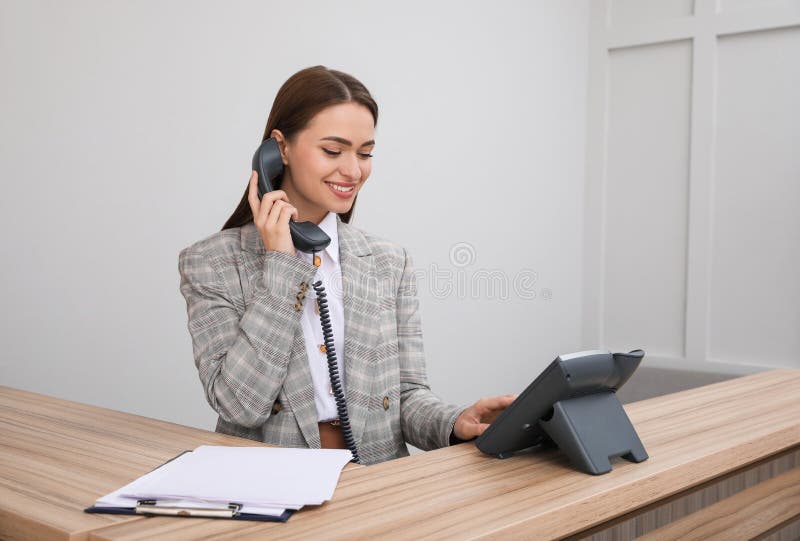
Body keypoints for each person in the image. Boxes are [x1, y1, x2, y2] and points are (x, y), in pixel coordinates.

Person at [178, 65, 514, 465]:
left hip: (377, 490)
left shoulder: (390, 262)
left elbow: (405, 396)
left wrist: (456, 422)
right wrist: (282, 266)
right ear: (279, 149)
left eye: (366, 153)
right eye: (333, 151)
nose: (354, 171)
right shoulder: (210, 263)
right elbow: (239, 405)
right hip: (270, 487)